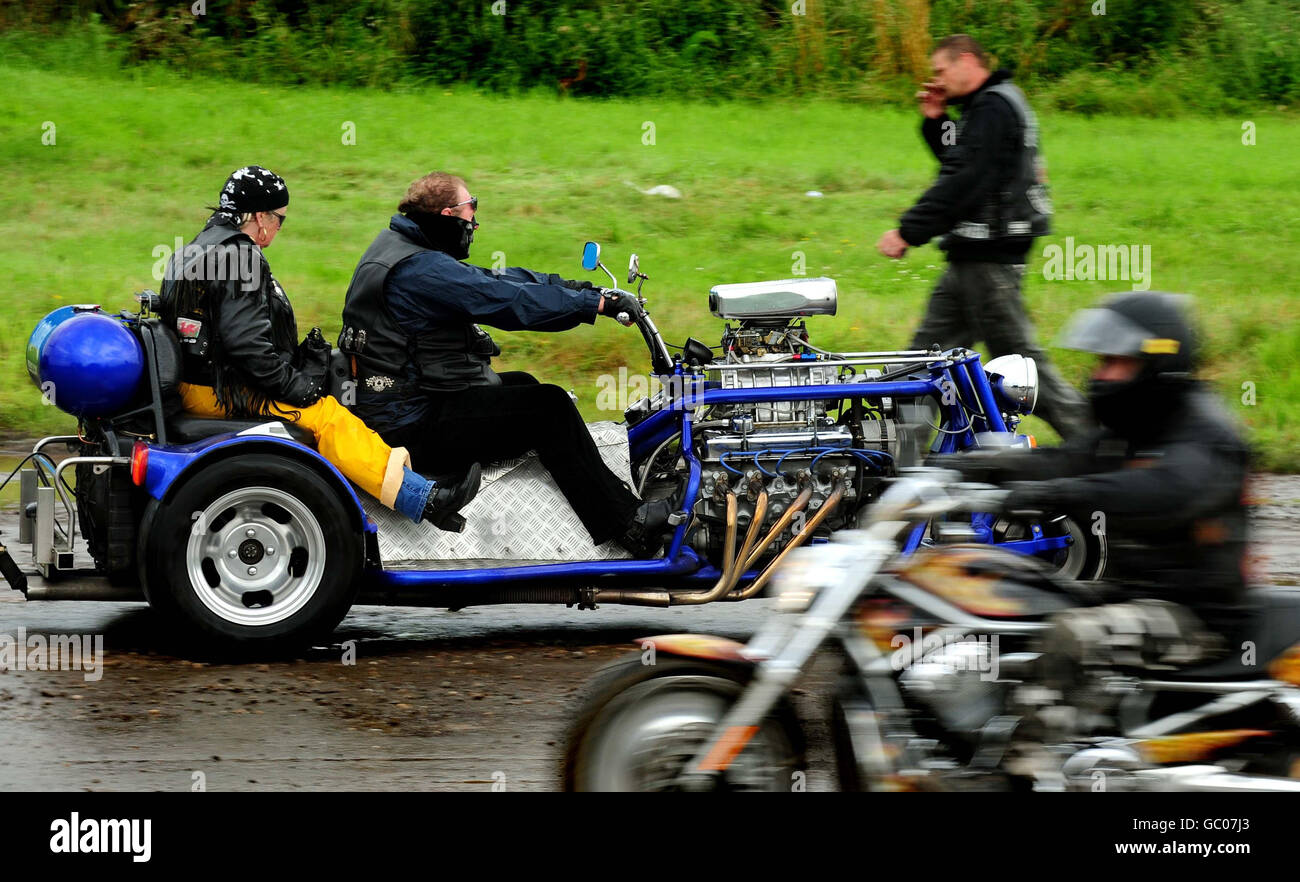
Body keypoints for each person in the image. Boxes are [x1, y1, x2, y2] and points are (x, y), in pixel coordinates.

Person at [338, 171, 673, 557]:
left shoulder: (401, 248)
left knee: (523, 387)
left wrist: (584, 291)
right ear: (447, 215)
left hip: (404, 405)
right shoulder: (419, 270)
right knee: (548, 408)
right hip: (410, 424)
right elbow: (504, 299)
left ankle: (567, 513)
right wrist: (593, 306)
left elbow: (497, 278)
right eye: (470, 215)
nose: (474, 225)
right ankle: (628, 525)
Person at [159, 165, 479, 529]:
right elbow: (248, 349)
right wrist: (299, 386)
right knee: (329, 417)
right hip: (220, 391)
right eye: (280, 220)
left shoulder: (194, 248)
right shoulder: (240, 256)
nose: (278, 229)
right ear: (260, 217)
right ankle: (425, 500)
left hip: (196, 384)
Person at [945, 292, 1251, 664]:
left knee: (1071, 638)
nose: (1099, 375)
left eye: (1115, 363)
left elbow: (1169, 490)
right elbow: (1068, 459)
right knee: (995, 598)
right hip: (1125, 595)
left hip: (1196, 617)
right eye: (1101, 362)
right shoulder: (1137, 425)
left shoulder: (1204, 432)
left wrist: (1052, 495)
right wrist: (969, 466)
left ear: (1157, 361)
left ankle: (1046, 722)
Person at [876, 34, 1089, 441]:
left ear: (968, 61)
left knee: (1029, 378)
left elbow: (966, 181)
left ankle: (1104, 450)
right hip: (970, 261)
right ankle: (891, 464)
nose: (937, 79)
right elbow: (963, 158)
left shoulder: (993, 107)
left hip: (989, 262)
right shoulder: (991, 104)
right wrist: (937, 120)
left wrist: (908, 231)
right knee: (921, 366)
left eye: (941, 70)